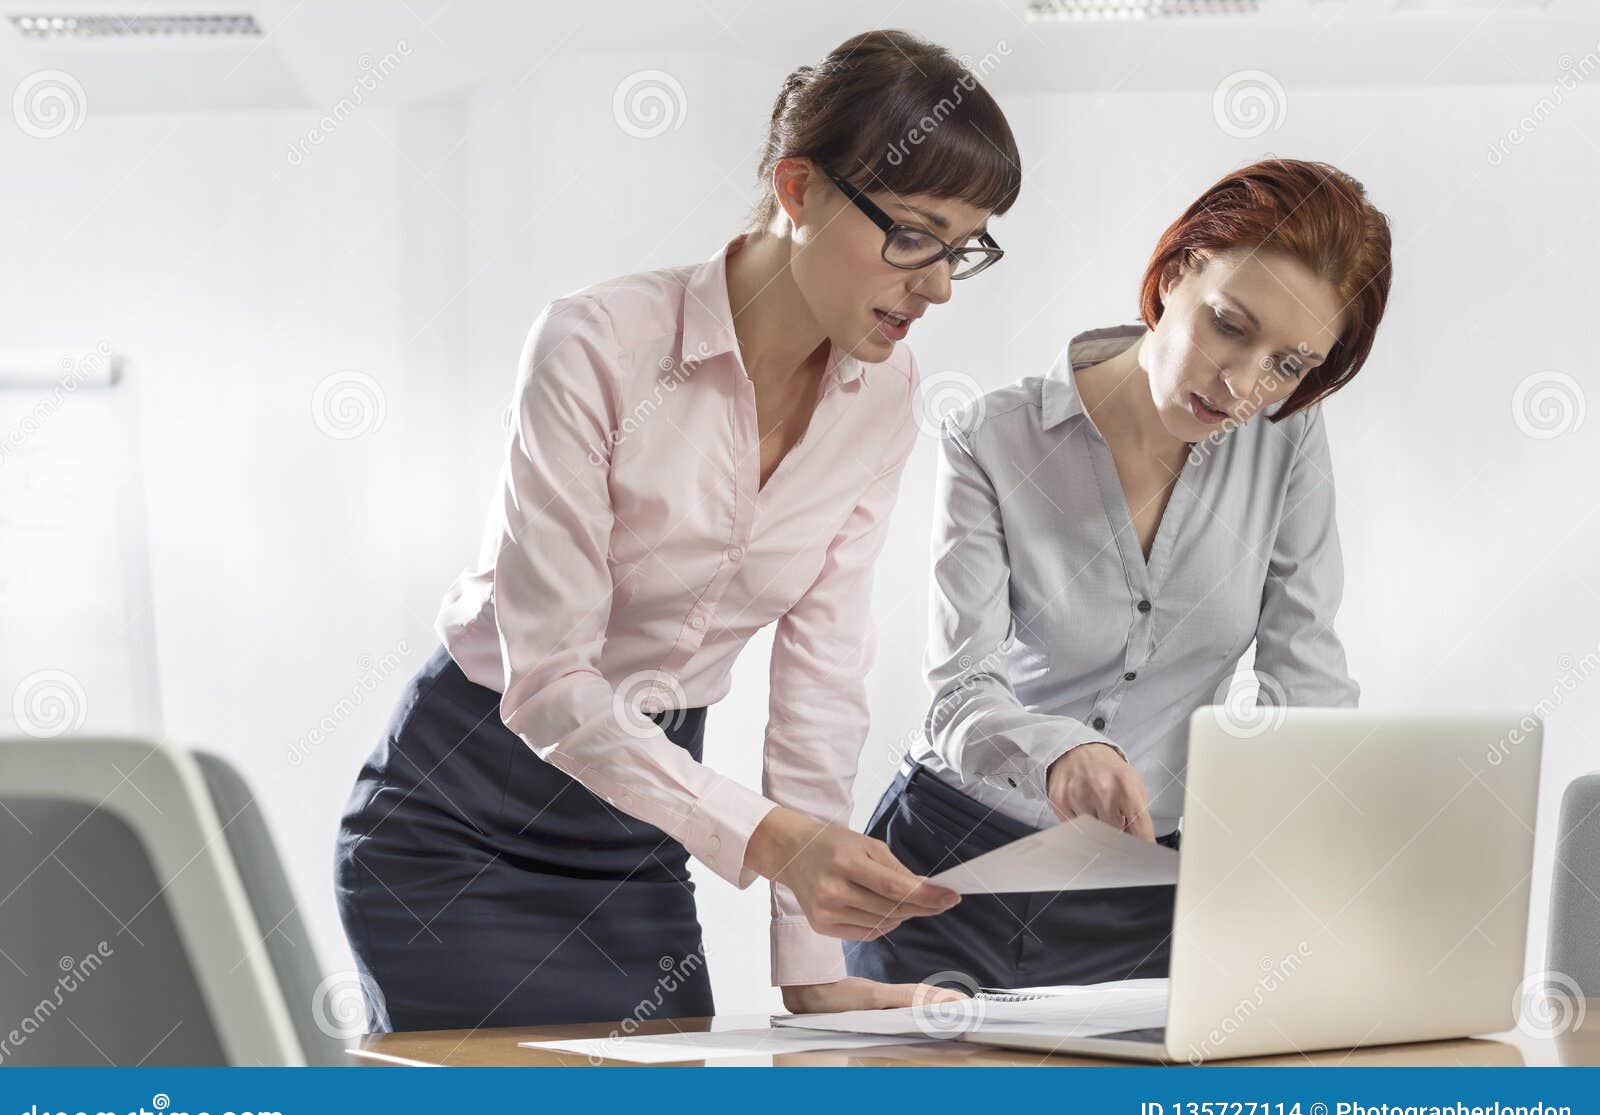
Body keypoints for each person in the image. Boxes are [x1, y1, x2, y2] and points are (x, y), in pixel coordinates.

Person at [334, 29, 1021, 1031]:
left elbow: (821, 682)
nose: (939, 284)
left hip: (637, 834)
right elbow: (550, 680)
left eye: (963, 249)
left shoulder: (884, 393)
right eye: (913, 235)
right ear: (798, 190)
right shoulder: (598, 344)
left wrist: (811, 965)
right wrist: (773, 839)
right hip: (461, 817)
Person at [847, 158, 1393, 991]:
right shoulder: (994, 438)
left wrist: (1312, 848)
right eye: (1229, 325)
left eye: (1288, 365)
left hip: (1143, 896)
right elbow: (960, 692)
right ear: (1175, 275)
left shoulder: (1287, 443)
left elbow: (1306, 680)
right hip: (948, 872)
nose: (1243, 384)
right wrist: (1064, 751)